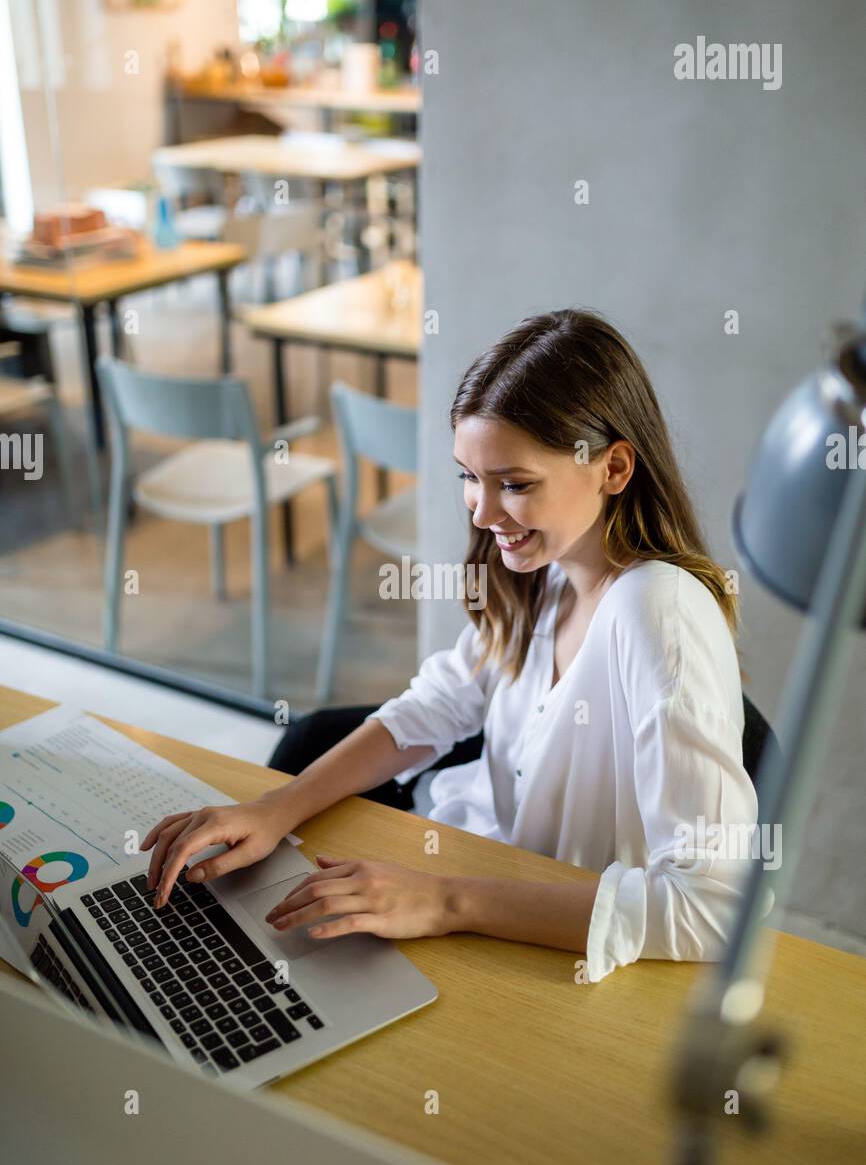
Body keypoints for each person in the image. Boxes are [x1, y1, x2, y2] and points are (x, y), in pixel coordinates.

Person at [143, 309, 758, 982]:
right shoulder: (548, 569)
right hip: (488, 878)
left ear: (613, 468)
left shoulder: (658, 612)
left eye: (515, 485)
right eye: (469, 475)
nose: (481, 512)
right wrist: (274, 809)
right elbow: (436, 705)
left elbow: (717, 909)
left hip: (550, 942)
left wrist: (441, 901)